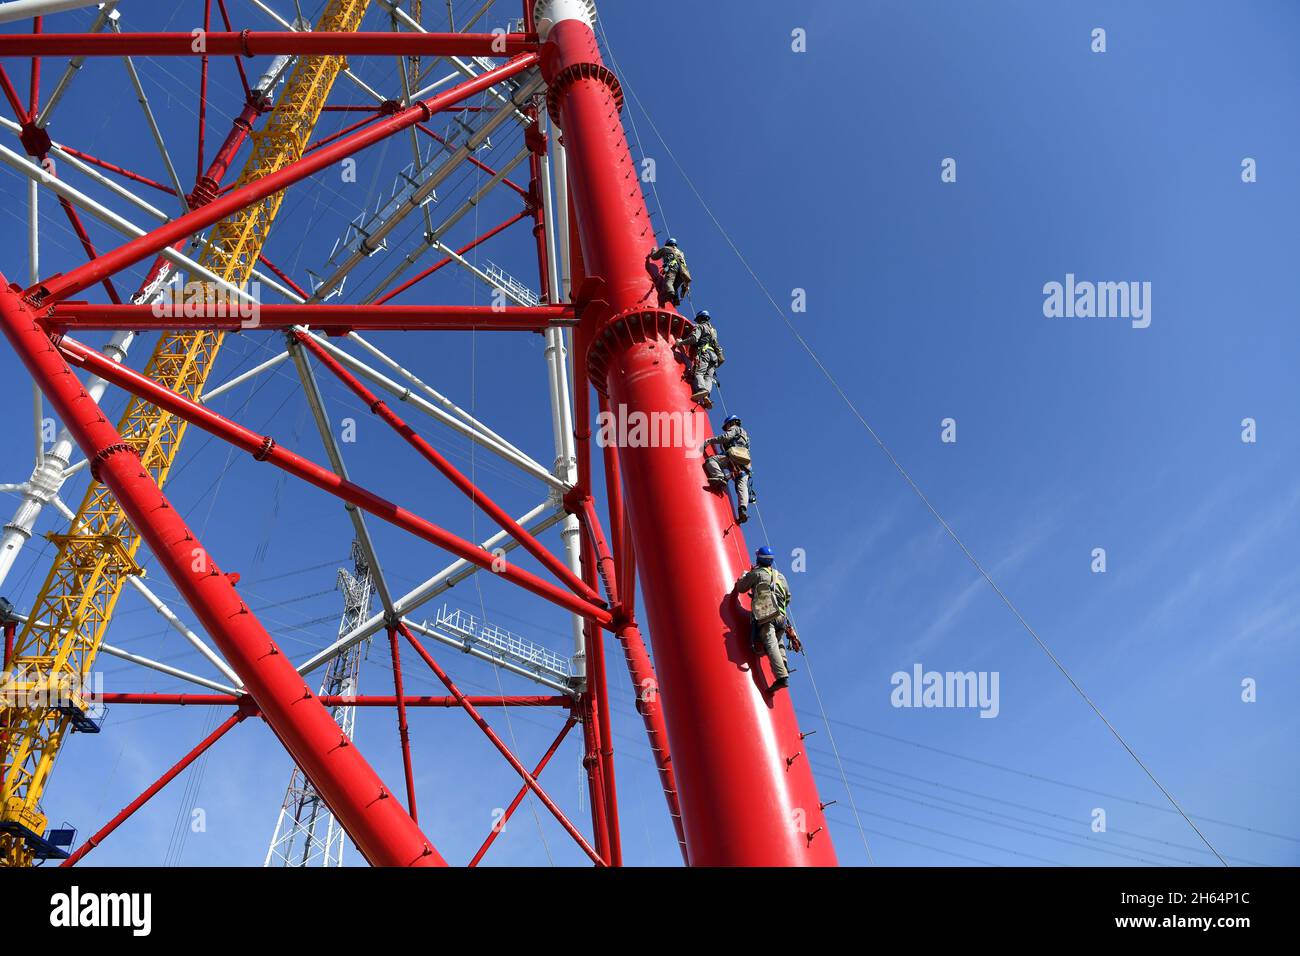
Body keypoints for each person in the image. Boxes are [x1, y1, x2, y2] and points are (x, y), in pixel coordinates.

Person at [733, 546, 794, 691]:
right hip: (781, 615)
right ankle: (783, 662)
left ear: (758, 558)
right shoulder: (780, 576)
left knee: (770, 642)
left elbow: (741, 588)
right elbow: (788, 597)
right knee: (779, 641)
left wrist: (744, 576)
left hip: (767, 615)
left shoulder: (757, 573)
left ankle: (781, 676)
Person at [702, 414, 754, 523]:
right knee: (742, 487)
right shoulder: (746, 436)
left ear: (731, 423)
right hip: (744, 464)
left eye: (727, 426)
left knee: (711, 461)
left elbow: (726, 437)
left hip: (732, 457)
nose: (727, 428)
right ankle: (742, 510)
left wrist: (710, 441)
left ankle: (720, 477)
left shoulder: (735, 428)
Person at [674, 309, 724, 407]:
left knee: (699, 372)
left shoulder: (700, 327)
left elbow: (694, 339)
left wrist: (681, 342)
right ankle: (706, 396)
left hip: (704, 353)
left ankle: (702, 390)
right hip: (714, 356)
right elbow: (716, 345)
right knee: (708, 377)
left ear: (700, 319)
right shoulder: (713, 331)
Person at [647, 237, 691, 306]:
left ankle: (670, 293)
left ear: (667, 243)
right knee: (674, 286)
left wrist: (653, 251)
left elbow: (654, 257)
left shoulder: (665, 249)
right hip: (683, 272)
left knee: (668, 282)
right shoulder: (680, 252)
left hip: (673, 268)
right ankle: (676, 300)